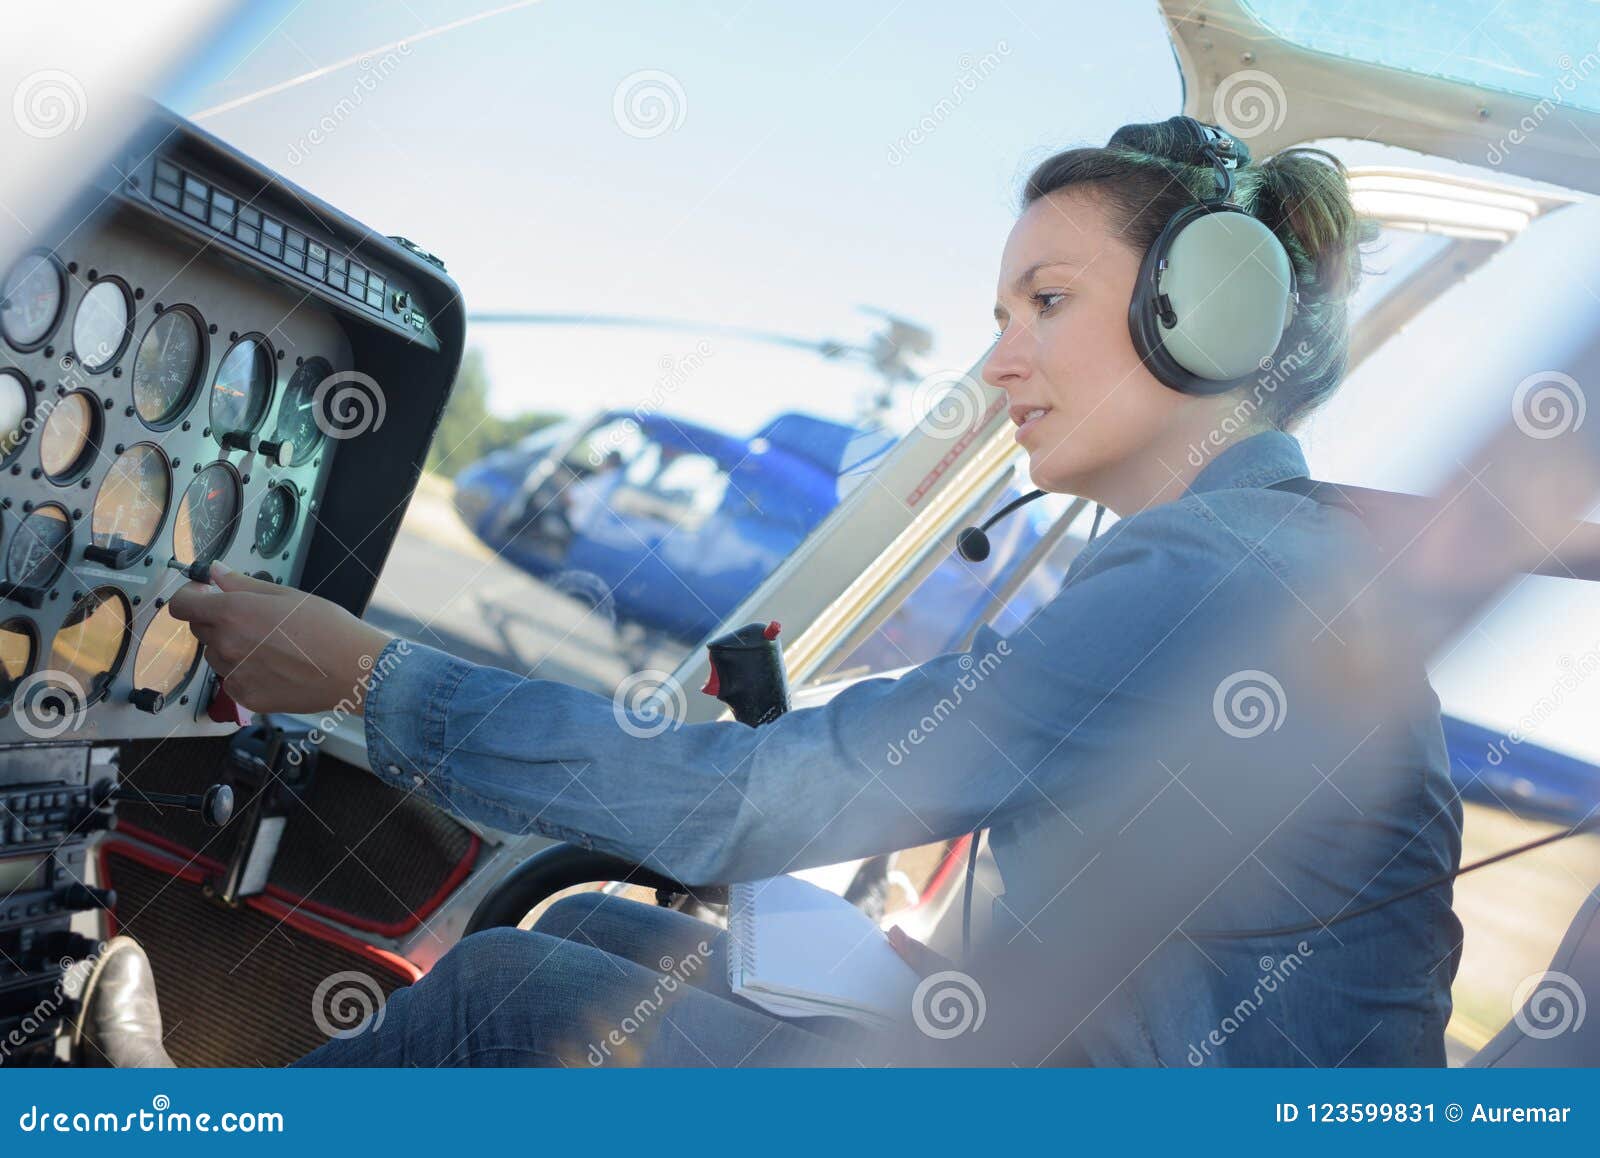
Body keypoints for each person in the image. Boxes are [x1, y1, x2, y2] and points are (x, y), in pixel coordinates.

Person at [95, 118, 1461, 1068]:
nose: (1001, 363)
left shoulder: (1209, 577)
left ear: (1198, 317)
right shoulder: (1263, 553)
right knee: (601, 923)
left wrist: (365, 677)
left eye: (1044, 300)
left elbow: (757, 805)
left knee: (520, 994)